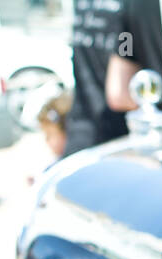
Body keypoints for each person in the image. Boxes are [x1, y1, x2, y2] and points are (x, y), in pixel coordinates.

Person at [63, 0, 127, 154]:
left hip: (83, 129)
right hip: (117, 136)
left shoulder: (82, 4)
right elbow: (120, 93)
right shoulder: (128, 7)